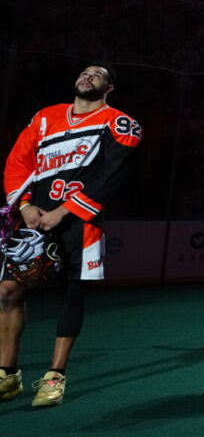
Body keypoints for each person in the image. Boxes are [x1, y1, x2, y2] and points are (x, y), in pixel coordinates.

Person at [1, 64, 141, 407]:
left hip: (80, 221)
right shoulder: (46, 117)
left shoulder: (121, 124)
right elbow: (18, 161)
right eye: (85, 71)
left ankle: (55, 376)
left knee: (72, 292)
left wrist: (63, 212)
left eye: (98, 74)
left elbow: (111, 178)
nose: (88, 75)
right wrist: (25, 206)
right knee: (7, 290)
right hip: (33, 217)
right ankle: (7, 374)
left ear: (109, 88)